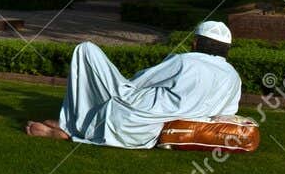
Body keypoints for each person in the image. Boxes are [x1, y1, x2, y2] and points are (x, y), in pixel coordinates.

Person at [26, 20, 242, 148]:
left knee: (86, 50)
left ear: (195, 43)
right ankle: (72, 125)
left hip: (134, 118)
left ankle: (72, 128)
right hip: (156, 133)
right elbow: (227, 114)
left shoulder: (186, 60)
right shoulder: (234, 76)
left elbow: (139, 82)